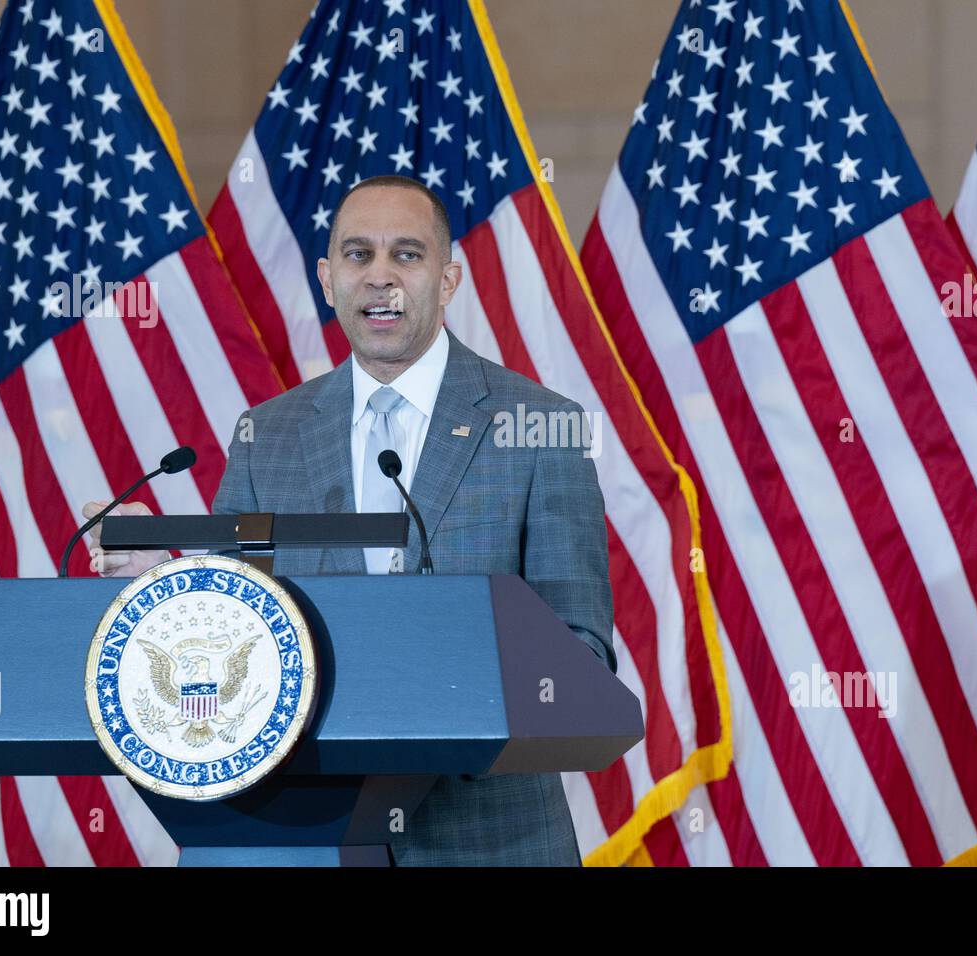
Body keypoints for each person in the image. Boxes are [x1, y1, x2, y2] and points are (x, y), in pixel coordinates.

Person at [81, 174, 615, 866]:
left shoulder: (541, 429)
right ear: (329, 280)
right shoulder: (265, 437)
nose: (381, 278)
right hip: (302, 836)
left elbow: (581, 654)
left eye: (408, 255)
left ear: (448, 279)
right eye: (359, 256)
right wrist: (163, 580)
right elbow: (233, 625)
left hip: (489, 840)